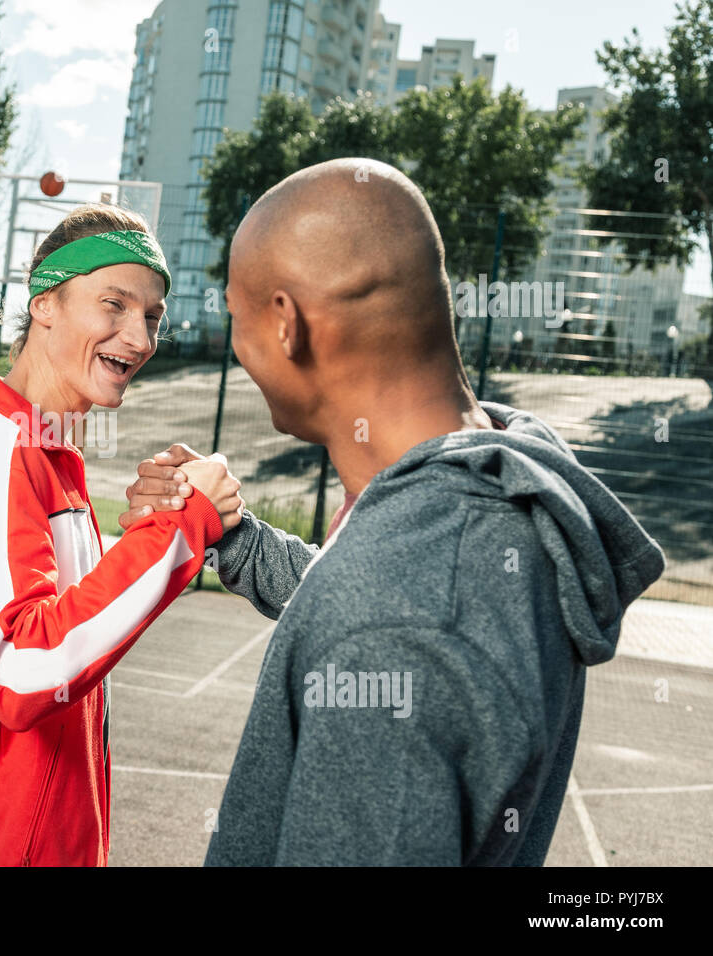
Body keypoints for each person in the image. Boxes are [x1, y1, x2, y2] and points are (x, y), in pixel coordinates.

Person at [122, 158, 665, 866]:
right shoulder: (491, 482)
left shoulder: (400, 624)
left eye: (237, 313)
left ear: (287, 324)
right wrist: (236, 537)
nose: (238, 345)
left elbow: (386, 611)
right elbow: (365, 575)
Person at [0, 204, 243, 866]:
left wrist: (146, 528)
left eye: (153, 316)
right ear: (46, 304)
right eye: (115, 305)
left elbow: (58, 619)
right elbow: (22, 670)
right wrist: (181, 527)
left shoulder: (43, 452)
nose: (139, 338)